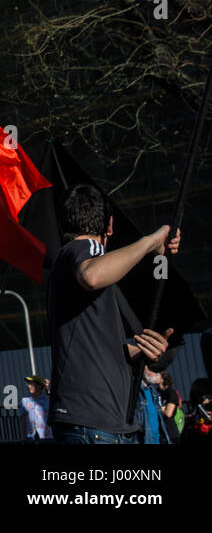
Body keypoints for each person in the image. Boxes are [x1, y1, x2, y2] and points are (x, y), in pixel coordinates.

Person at [47, 184, 179, 444]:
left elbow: (92, 348)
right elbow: (92, 275)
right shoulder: (86, 248)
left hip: (90, 420)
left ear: (61, 227)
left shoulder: (64, 263)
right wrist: (150, 242)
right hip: (93, 421)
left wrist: (139, 351)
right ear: (109, 226)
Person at [20, 376, 51, 441]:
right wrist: (24, 437)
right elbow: (23, 421)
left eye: (32, 384)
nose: (29, 386)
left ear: (39, 386)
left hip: (48, 437)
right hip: (31, 437)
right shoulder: (25, 401)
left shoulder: (48, 400)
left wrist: (47, 388)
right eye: (28, 384)